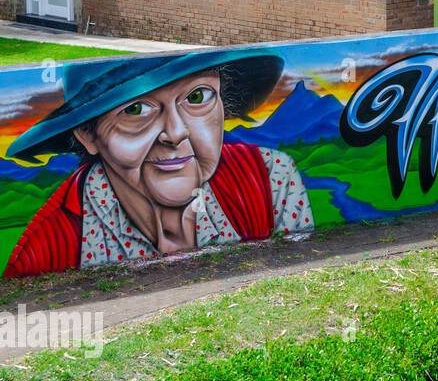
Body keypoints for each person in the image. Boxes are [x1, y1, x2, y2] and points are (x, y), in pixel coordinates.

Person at [3, 49, 313, 279]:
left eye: (198, 97)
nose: (176, 132)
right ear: (88, 135)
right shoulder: (48, 247)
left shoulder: (270, 178)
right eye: (136, 109)